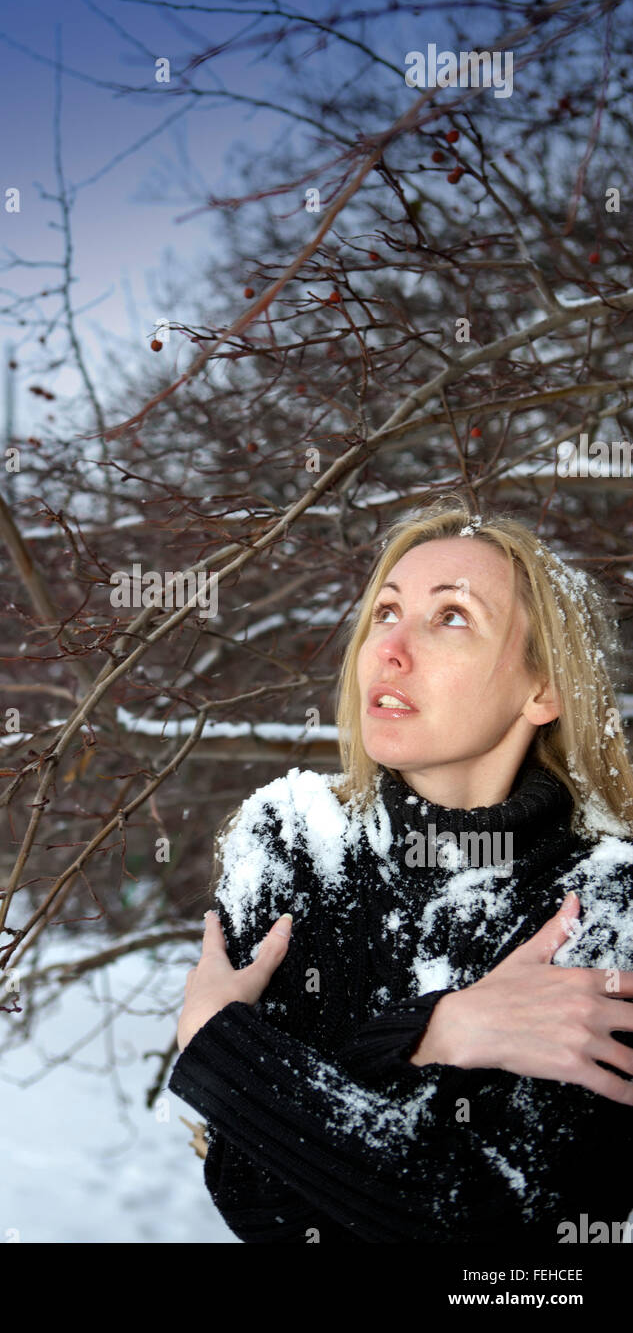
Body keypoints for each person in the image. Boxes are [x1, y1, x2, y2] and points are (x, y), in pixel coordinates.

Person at [167, 495, 633, 1243]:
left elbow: (490, 1229)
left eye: (450, 617)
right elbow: (253, 1193)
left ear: (541, 690)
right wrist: (437, 1032)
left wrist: (219, 1044)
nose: (389, 649)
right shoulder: (292, 838)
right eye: (384, 612)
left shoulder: (608, 900)